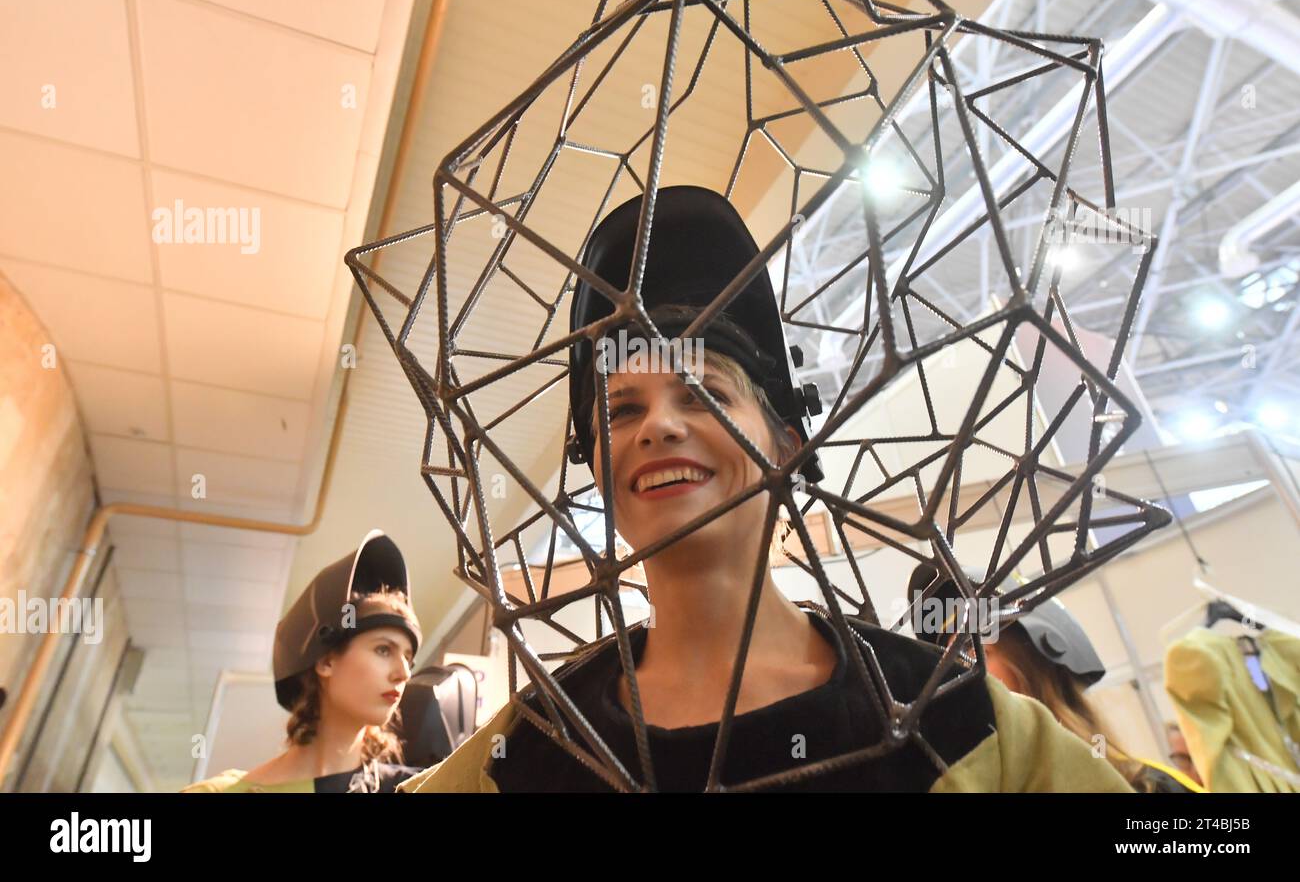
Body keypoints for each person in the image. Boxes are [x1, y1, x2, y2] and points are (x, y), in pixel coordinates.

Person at [400, 186, 1134, 792]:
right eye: (621, 411)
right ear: (596, 463)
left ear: (788, 443)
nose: (658, 426)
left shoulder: (960, 724)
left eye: (703, 394)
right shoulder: (532, 749)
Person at [907, 564, 1204, 793]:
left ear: (1033, 658)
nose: (961, 678)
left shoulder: (1151, 786)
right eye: (951, 667)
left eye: (975, 652)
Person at [183, 530, 423, 793]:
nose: (404, 673)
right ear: (326, 661)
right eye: (383, 650)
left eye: (408, 658)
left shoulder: (414, 788)